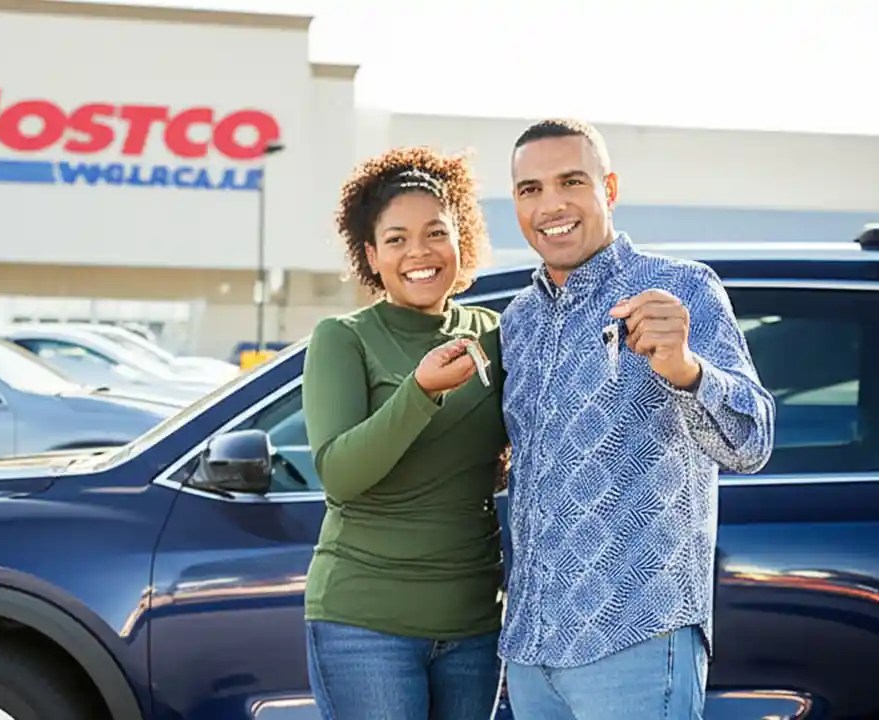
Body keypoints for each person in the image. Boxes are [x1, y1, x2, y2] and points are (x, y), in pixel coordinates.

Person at [497, 118, 776, 719]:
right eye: (530, 189)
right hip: (529, 650)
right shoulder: (517, 321)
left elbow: (752, 442)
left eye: (571, 181)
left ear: (610, 188)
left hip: (635, 636)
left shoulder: (680, 288)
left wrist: (686, 368)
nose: (551, 205)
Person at [301, 146, 509, 720]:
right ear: (371, 254)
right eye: (396, 239)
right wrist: (418, 392)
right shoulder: (343, 339)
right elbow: (341, 476)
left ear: (460, 239)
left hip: (473, 624)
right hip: (365, 623)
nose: (418, 252)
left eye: (435, 233)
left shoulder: (495, 332)